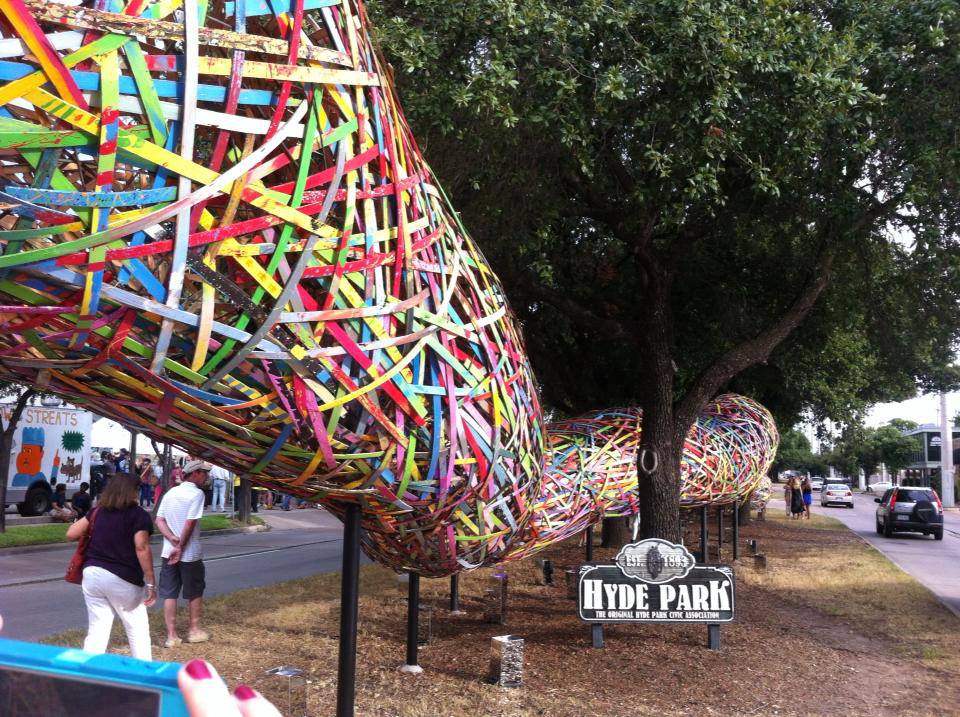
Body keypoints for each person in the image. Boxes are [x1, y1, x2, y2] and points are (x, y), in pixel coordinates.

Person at [66, 473, 157, 661]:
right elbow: (141, 547)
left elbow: (71, 533)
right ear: (132, 491)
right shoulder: (139, 515)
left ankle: (88, 671)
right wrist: (151, 582)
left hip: (92, 574)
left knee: (97, 628)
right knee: (136, 628)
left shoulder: (98, 511)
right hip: (123, 578)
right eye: (138, 489)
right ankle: (143, 674)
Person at [156, 460, 211, 648]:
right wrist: (181, 546)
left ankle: (171, 636)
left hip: (167, 550)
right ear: (194, 474)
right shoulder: (197, 494)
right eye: (204, 473)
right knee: (194, 590)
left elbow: (159, 519)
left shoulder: (171, 492)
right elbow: (190, 522)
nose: (207, 476)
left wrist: (172, 538)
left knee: (170, 592)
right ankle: (194, 630)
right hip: (190, 552)